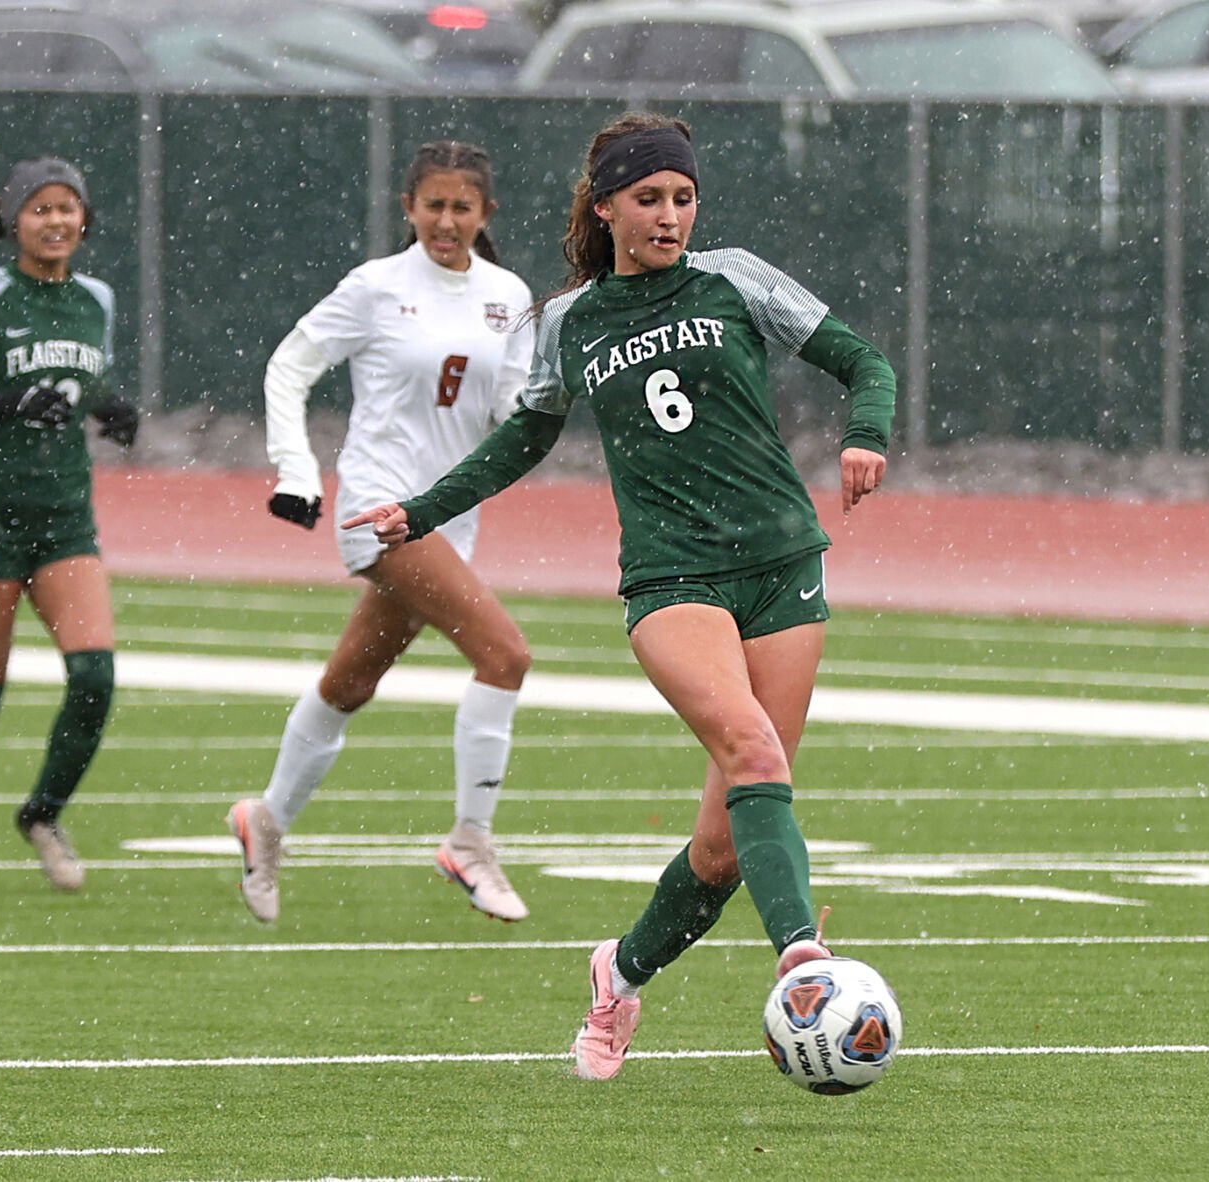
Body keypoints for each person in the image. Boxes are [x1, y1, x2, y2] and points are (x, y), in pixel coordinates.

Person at [342, 112, 896, 1080]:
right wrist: (423, 510)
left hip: (781, 564)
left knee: (723, 847)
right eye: (648, 199)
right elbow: (524, 437)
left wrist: (867, 433)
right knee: (751, 749)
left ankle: (620, 972)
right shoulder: (568, 320)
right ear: (604, 209)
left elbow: (862, 360)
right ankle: (802, 959)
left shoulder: (734, 278)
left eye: (682, 198)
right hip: (671, 574)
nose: (669, 215)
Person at [227, 141, 536, 926]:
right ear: (408, 208)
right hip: (378, 512)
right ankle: (470, 841)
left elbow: (513, 414)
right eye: (432, 204)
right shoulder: (375, 287)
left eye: (461, 206)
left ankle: (265, 822)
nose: (446, 220)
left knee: (349, 685)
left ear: (485, 214)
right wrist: (297, 470)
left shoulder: (508, 297)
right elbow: (289, 368)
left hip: (446, 521)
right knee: (506, 655)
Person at [0, 155, 139, 893]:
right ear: (13, 219)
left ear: (85, 218)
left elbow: (84, 375)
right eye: (40, 209)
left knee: (95, 675)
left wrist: (110, 404)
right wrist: (0, 404)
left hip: (65, 516)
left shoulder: (96, 296)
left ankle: (42, 813)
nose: (55, 221)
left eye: (67, 207)